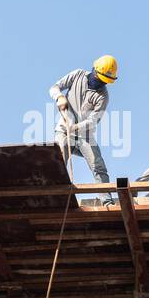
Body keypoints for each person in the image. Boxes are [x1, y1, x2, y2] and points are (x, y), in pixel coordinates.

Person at [50, 55, 118, 204]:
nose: (101, 84)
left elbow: (93, 121)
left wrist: (75, 127)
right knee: (60, 156)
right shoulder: (77, 75)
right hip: (64, 129)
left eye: (105, 82)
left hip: (85, 135)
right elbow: (54, 87)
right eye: (100, 79)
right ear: (94, 71)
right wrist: (59, 97)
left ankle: (106, 200)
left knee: (98, 164)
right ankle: (54, 195)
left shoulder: (102, 96)